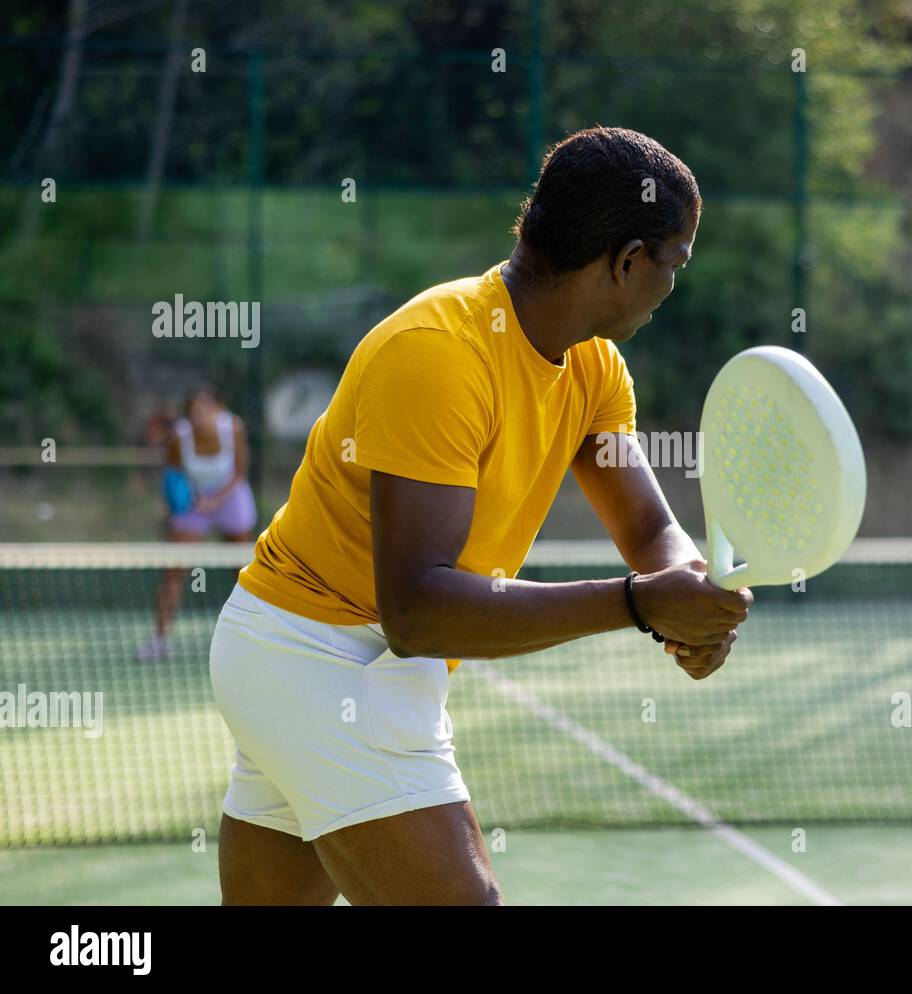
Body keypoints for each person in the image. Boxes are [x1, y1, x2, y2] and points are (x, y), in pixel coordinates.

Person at [208, 127, 752, 906]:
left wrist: (689, 590)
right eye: (677, 260)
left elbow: (649, 532)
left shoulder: (593, 366)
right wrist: (640, 605)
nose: (674, 284)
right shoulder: (437, 354)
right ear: (628, 261)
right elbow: (418, 611)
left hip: (328, 666)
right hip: (319, 658)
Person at [137, 386, 255, 661]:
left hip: (230, 497)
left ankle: (253, 639)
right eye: (194, 412)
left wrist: (215, 502)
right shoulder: (180, 437)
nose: (200, 416)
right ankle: (159, 640)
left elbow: (239, 471)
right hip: (195, 503)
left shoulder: (233, 429)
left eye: (206, 410)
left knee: (245, 573)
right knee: (173, 572)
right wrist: (176, 509)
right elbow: (173, 475)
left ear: (217, 409)